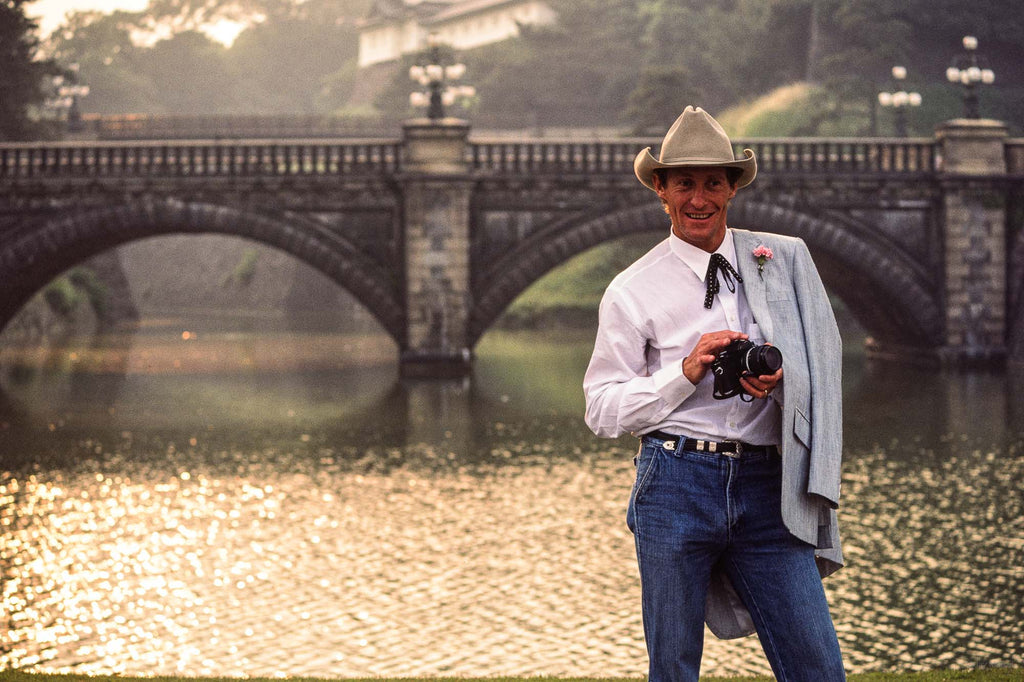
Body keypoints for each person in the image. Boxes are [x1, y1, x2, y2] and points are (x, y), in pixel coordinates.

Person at [583, 106, 846, 681]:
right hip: (675, 483)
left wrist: (781, 386)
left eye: (712, 183)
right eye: (684, 184)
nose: (698, 199)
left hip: (768, 487)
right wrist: (685, 371)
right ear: (661, 189)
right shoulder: (631, 290)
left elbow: (823, 369)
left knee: (818, 668)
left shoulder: (782, 262)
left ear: (731, 189)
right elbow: (601, 409)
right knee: (674, 668)